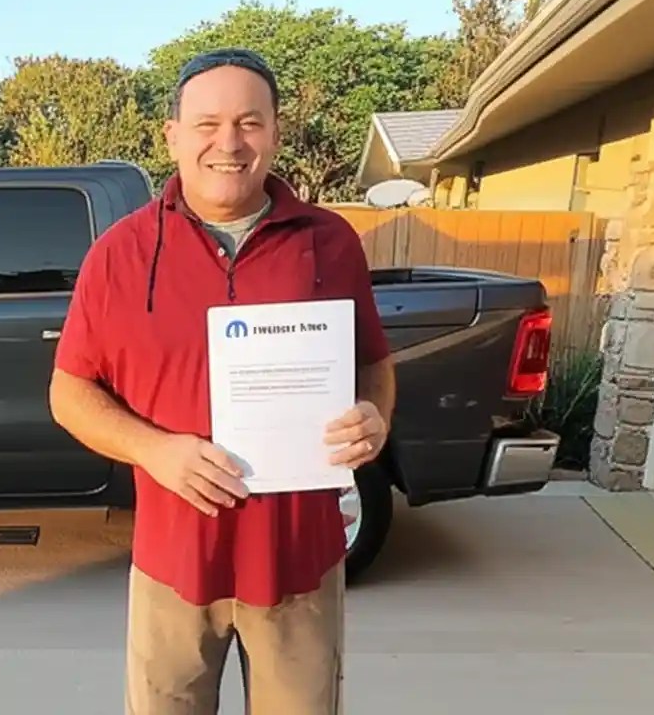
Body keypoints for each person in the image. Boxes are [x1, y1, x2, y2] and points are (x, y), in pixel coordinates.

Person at [47, 48, 396, 714]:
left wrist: (373, 419)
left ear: (276, 130)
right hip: (174, 563)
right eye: (207, 124)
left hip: (299, 563)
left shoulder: (330, 243)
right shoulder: (118, 254)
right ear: (173, 134)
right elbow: (70, 392)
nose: (228, 144)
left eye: (249, 122)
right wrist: (155, 449)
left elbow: (373, 365)